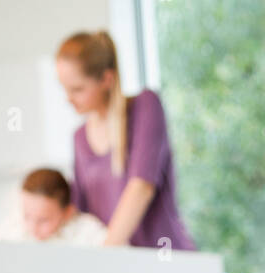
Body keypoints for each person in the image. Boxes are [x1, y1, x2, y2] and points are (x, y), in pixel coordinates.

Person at [55, 30, 196, 251]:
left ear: (106, 80)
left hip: (164, 258)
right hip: (121, 267)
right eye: (64, 88)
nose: (68, 99)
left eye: (78, 89)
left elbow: (141, 186)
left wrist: (106, 256)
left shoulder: (145, 106)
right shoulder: (79, 138)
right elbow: (80, 212)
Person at [0, 168, 106, 244]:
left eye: (43, 220)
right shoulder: (13, 228)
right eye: (27, 216)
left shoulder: (88, 233)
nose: (33, 228)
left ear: (67, 212)